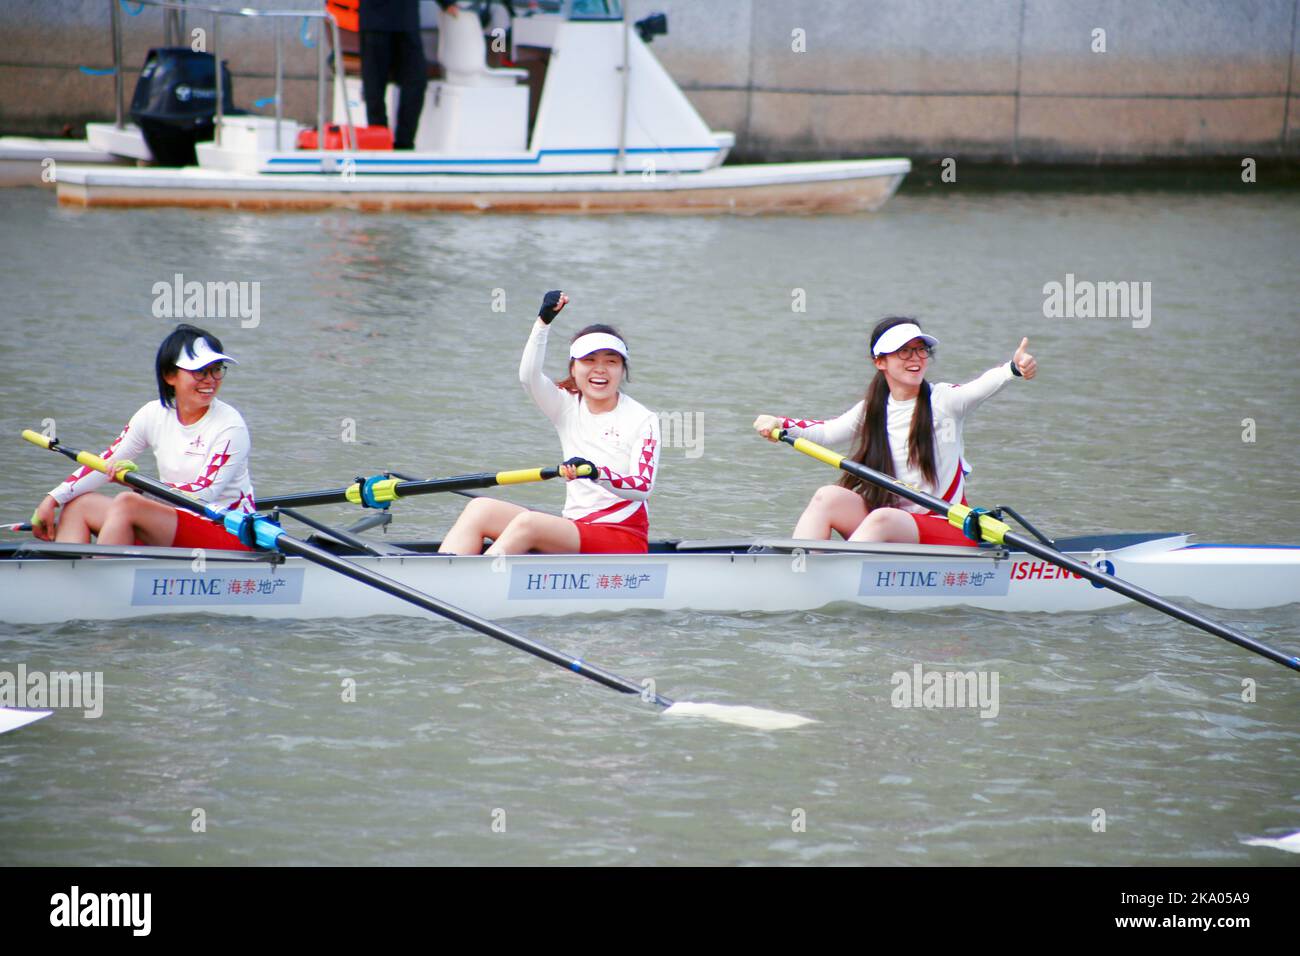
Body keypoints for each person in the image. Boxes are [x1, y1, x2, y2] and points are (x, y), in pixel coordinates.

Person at [752, 316, 1037, 547]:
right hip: (895, 524)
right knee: (828, 497)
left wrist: (1013, 368)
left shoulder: (945, 400)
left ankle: (837, 575)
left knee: (883, 518)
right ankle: (799, 569)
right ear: (880, 362)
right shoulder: (873, 408)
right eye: (904, 351)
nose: (915, 358)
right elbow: (827, 433)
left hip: (946, 526)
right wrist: (780, 422)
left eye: (920, 349)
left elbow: (982, 385)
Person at [439, 291, 661, 555]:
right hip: (575, 528)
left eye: (610, 362)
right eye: (589, 361)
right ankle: (443, 576)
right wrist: (543, 323)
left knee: (530, 524)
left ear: (622, 370)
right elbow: (528, 377)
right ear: (573, 369)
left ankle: (476, 585)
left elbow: (643, 486)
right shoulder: (566, 405)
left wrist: (595, 472)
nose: (600, 369)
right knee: (480, 509)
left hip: (622, 537)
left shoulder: (642, 419)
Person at [31, 324, 256, 550]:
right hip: (174, 520)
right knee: (79, 504)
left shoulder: (230, 426)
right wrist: (52, 499)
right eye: (200, 371)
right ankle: (70, 576)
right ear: (169, 375)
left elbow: (203, 494)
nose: (211, 380)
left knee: (128, 503)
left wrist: (140, 487)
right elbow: (104, 463)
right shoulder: (152, 414)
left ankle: (103, 574)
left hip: (228, 532)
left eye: (216, 369)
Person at [358, 0, 432, 150]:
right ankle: (379, 141)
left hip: (406, 20)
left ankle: (404, 144)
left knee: (416, 81)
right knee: (374, 87)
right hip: (375, 19)